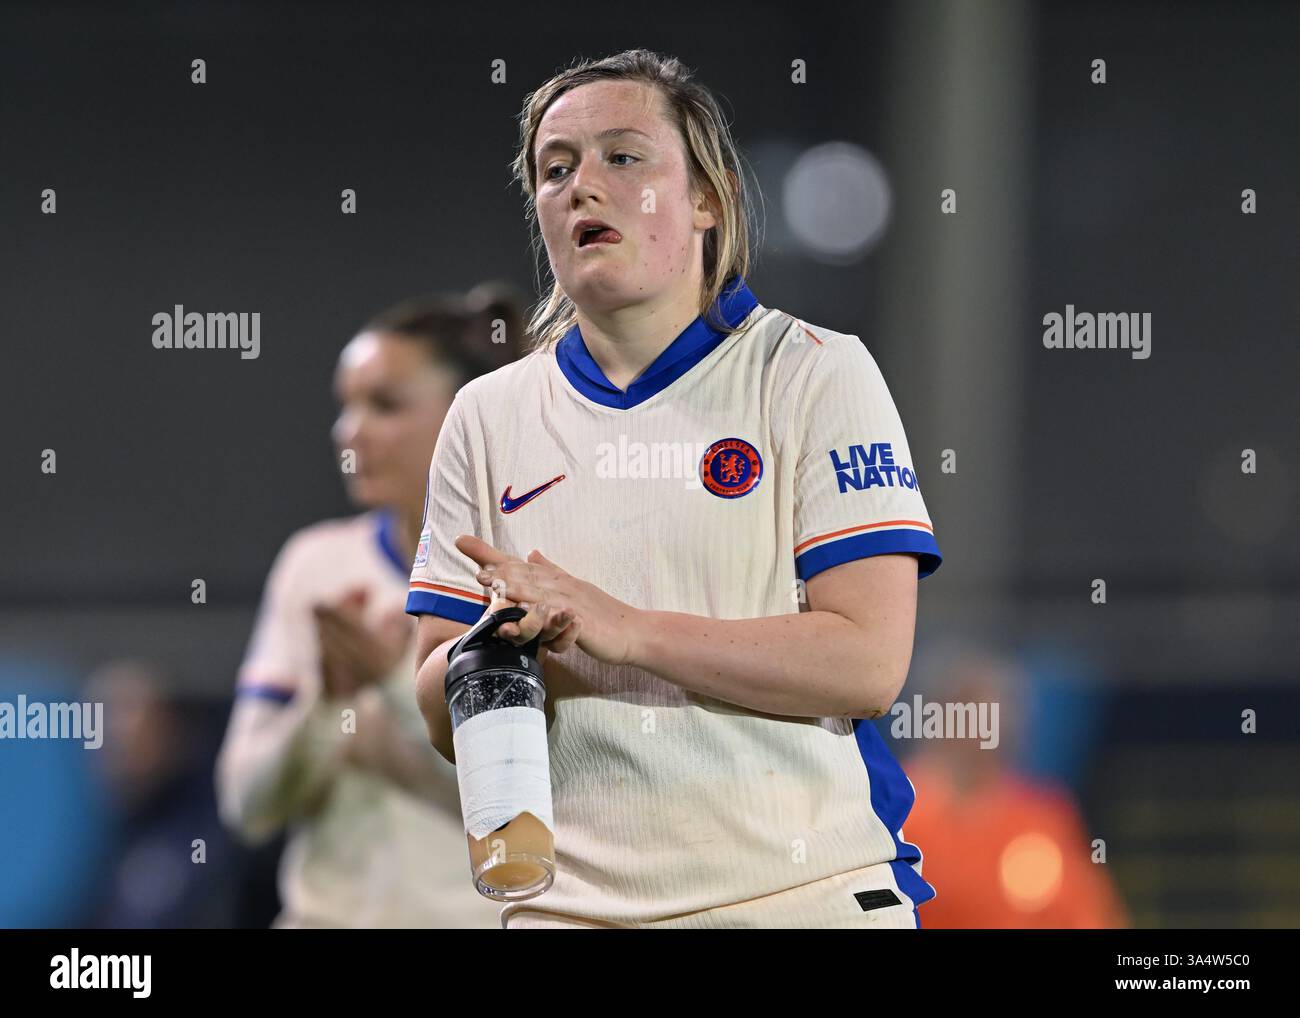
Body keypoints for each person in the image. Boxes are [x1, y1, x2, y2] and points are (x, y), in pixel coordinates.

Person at [410, 49, 944, 929]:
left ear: (708, 198)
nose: (583, 185)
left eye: (623, 156)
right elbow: (438, 713)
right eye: (556, 168)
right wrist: (498, 649)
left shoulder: (812, 373)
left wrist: (625, 630)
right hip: (567, 913)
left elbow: (868, 663)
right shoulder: (485, 416)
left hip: (801, 900)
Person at [216, 284, 524, 928]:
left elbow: (518, 832)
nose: (347, 432)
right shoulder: (317, 565)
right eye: (345, 406)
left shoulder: (530, 585)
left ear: (469, 413)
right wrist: (325, 706)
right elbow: (245, 805)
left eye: (383, 405)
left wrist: (393, 683)